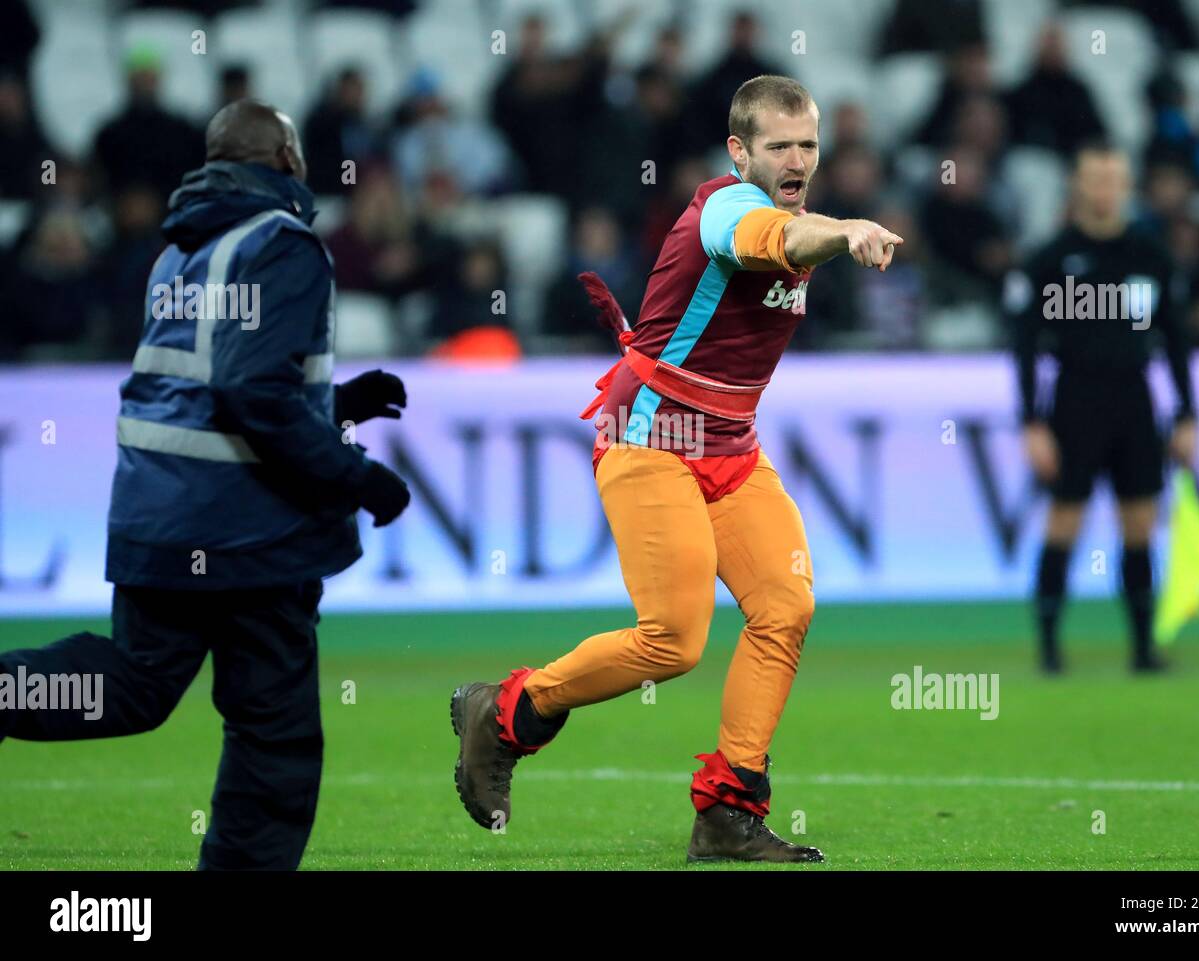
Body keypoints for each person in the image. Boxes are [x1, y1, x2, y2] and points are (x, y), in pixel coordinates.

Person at [450, 75, 904, 863]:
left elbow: (789, 238)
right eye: (780, 146)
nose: (798, 159)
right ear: (739, 152)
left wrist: (831, 228)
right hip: (650, 437)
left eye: (809, 145)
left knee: (785, 605)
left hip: (729, 445)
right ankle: (508, 710)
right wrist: (846, 230)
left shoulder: (795, 213)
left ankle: (729, 808)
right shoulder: (726, 206)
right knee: (674, 641)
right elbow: (776, 241)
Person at [0, 99, 412, 870]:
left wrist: (339, 403)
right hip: (247, 529)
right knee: (272, 733)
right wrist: (358, 477)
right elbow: (250, 393)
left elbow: (209, 383)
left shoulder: (180, 249)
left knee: (130, 684)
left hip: (159, 513)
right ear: (288, 160)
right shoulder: (281, 243)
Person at [1006, 140, 1197, 675]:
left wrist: (1187, 412)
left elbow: (1176, 340)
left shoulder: (1150, 256)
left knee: (1139, 523)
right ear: (1079, 185)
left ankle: (1142, 650)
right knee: (1064, 520)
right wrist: (1031, 421)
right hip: (1073, 400)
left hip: (1135, 399)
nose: (1105, 189)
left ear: (1126, 186)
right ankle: (1049, 651)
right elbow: (1023, 347)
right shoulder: (1050, 258)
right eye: (1095, 178)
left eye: (1114, 179)